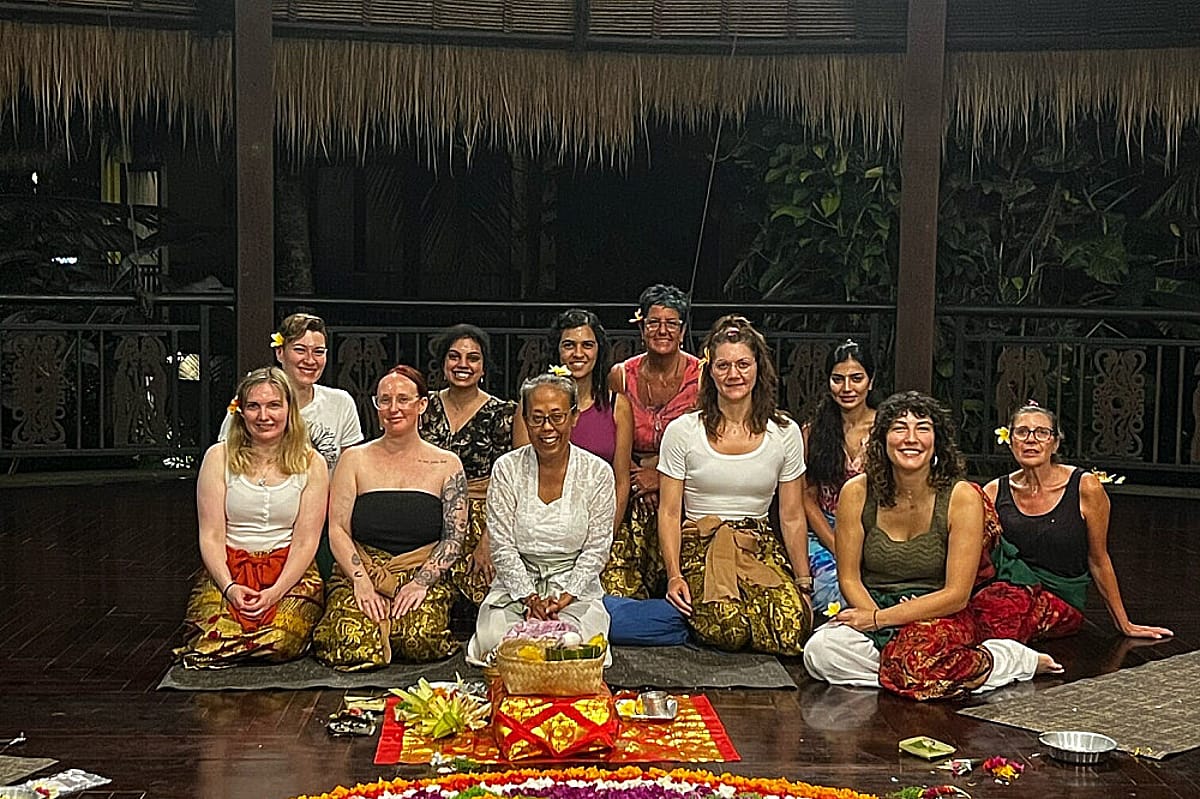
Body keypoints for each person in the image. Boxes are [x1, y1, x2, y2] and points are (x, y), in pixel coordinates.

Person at [803, 391, 1065, 701]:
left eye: (922, 428)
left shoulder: (962, 497)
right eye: (899, 428)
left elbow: (956, 596)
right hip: (873, 605)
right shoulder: (856, 492)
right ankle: (910, 671)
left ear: (937, 442)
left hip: (938, 612)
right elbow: (848, 578)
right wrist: (880, 624)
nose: (910, 438)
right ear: (882, 440)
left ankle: (1006, 660)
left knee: (916, 658)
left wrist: (884, 621)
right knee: (820, 653)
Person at [657, 315, 813, 655]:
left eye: (743, 364)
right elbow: (669, 512)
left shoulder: (784, 432)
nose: (734, 375)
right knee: (728, 628)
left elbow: (791, 515)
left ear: (759, 367)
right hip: (701, 544)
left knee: (790, 628)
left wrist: (803, 583)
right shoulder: (683, 431)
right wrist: (673, 575)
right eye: (724, 365)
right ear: (710, 371)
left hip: (757, 543)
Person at [312, 365, 468, 670]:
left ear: (422, 404)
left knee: (419, 638)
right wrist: (363, 583)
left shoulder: (447, 464)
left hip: (421, 570)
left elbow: (454, 537)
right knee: (351, 641)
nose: (393, 408)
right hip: (364, 568)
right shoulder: (353, 459)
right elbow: (339, 529)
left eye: (403, 399)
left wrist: (421, 583)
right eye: (384, 400)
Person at [177, 367, 328, 668]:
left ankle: (252, 644)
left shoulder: (312, 463)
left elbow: (306, 541)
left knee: (281, 642)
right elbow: (210, 535)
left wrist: (274, 593)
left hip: (288, 570)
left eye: (274, 405)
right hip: (230, 567)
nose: (264, 416)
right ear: (241, 412)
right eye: (254, 406)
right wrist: (230, 588)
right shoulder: (218, 457)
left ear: (289, 409)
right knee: (207, 640)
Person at [984, 403, 1172, 640]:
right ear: (1011, 442)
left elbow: (1098, 558)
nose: (1031, 439)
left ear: (1055, 444)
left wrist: (1125, 624)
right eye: (1022, 432)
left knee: (999, 620)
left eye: (1042, 433)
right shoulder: (993, 491)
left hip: (1060, 600)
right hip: (1008, 591)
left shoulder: (1085, 486)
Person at [467, 372, 616, 662]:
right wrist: (529, 598)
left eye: (557, 417)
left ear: (574, 417)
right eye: (537, 418)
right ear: (524, 420)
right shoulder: (506, 469)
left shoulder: (597, 472)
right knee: (496, 641)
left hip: (574, 589)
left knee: (576, 644)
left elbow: (598, 548)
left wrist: (566, 596)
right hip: (516, 589)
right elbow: (501, 545)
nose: (547, 427)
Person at [604, 284, 701, 599]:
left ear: (683, 330)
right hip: (631, 481)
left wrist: (660, 477)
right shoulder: (621, 375)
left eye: (671, 323)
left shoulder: (702, 377)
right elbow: (610, 436)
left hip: (685, 482)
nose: (662, 330)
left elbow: (708, 442)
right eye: (653, 322)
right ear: (641, 327)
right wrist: (636, 476)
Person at [420, 324, 516, 604]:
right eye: (454, 356)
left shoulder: (504, 413)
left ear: (484, 368)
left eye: (473, 358)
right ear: (443, 363)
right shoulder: (423, 407)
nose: (463, 364)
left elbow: (514, 483)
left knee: (481, 592)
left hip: (482, 515)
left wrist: (489, 539)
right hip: (428, 510)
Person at [514, 308, 633, 529]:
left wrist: (604, 539)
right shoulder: (530, 403)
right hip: (541, 525)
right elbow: (522, 474)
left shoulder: (618, 406)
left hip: (599, 526)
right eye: (569, 345)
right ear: (557, 351)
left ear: (599, 351)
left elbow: (621, 482)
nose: (578, 353)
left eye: (587, 345)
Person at [220, 313, 363, 470]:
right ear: (280, 352)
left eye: (318, 352)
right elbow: (226, 460)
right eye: (300, 350)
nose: (310, 360)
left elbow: (351, 469)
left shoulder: (341, 403)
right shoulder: (253, 404)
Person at [802, 339, 877, 611]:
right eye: (838, 379)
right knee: (830, 590)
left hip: (874, 529)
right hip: (825, 531)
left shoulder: (887, 430)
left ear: (871, 381)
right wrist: (836, 545)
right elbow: (807, 498)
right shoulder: (813, 432)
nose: (847, 388)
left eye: (856, 378)